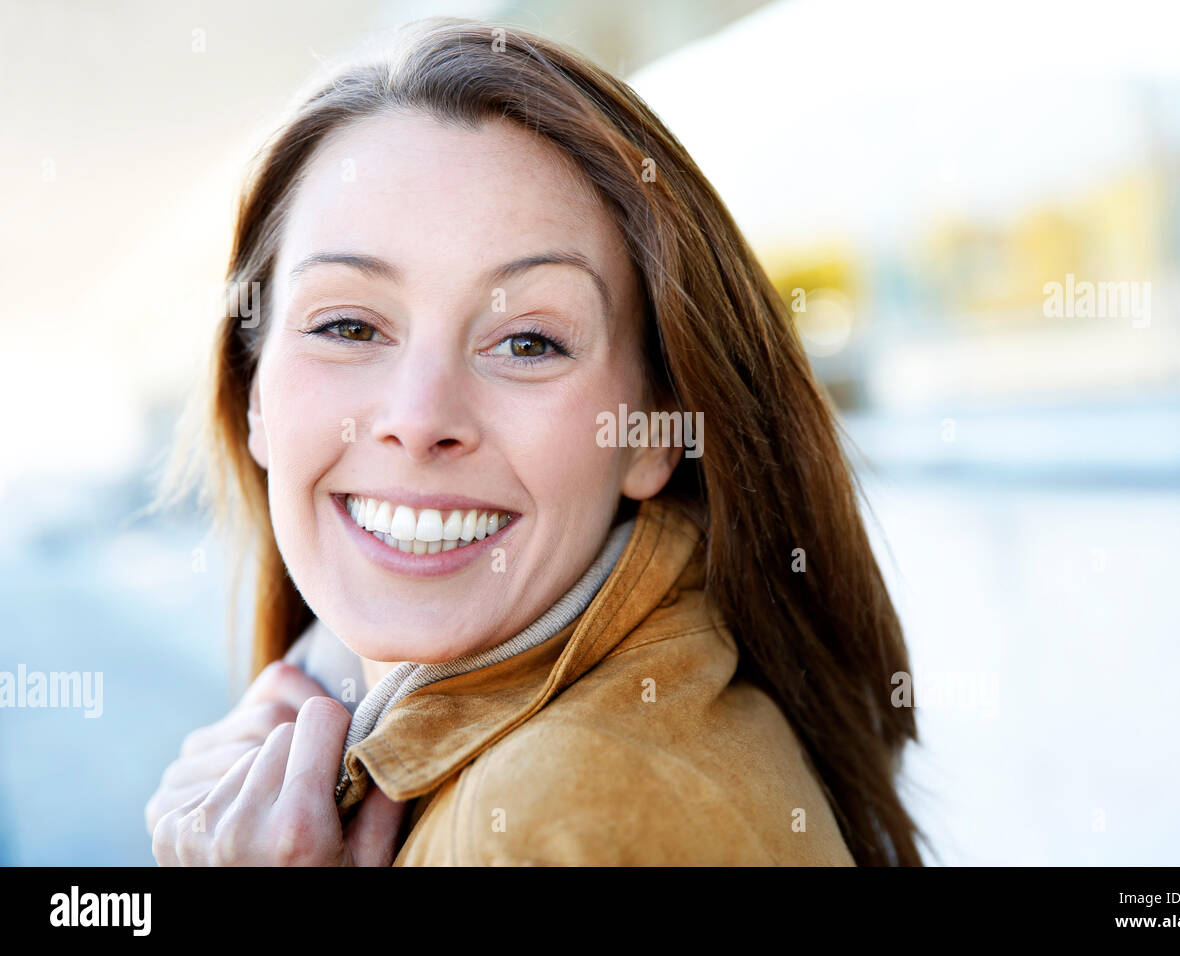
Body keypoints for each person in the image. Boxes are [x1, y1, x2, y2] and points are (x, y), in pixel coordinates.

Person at [145, 15, 925, 866]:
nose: (419, 416)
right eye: (348, 325)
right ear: (253, 393)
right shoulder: (385, 729)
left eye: (527, 343)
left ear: (652, 432)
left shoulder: (555, 823)